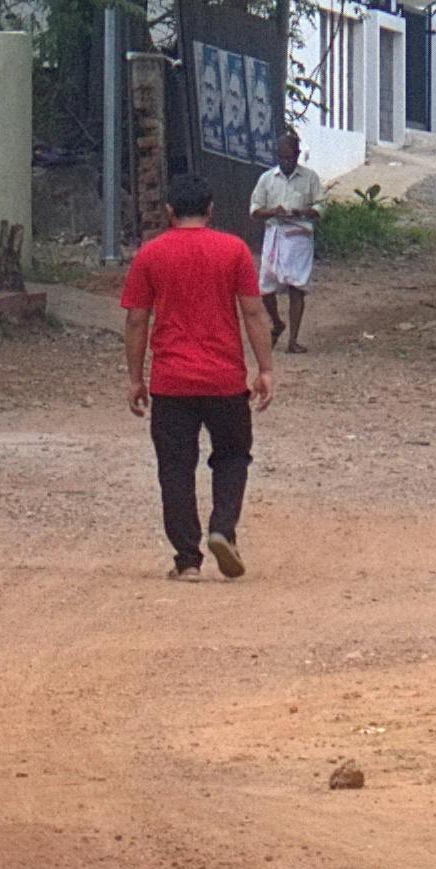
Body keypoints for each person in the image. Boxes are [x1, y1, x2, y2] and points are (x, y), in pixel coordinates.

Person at [118, 170, 272, 579]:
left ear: (169, 211)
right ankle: (223, 529)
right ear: (210, 210)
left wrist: (136, 379)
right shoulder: (234, 250)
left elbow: (137, 320)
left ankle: (187, 560)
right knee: (233, 456)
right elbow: (253, 312)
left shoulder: (151, 254)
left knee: (175, 467)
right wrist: (266, 369)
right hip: (224, 380)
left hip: (171, 382)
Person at [246, 150, 328, 353]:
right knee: (265, 287)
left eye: (290, 157)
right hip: (274, 235)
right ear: (277, 156)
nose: (287, 161)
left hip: (299, 236)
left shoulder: (310, 178)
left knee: (297, 287)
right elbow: (255, 209)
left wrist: (304, 212)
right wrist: (273, 211)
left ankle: (293, 339)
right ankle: (276, 322)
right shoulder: (267, 179)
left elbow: (321, 206)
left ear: (297, 155)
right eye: (283, 157)